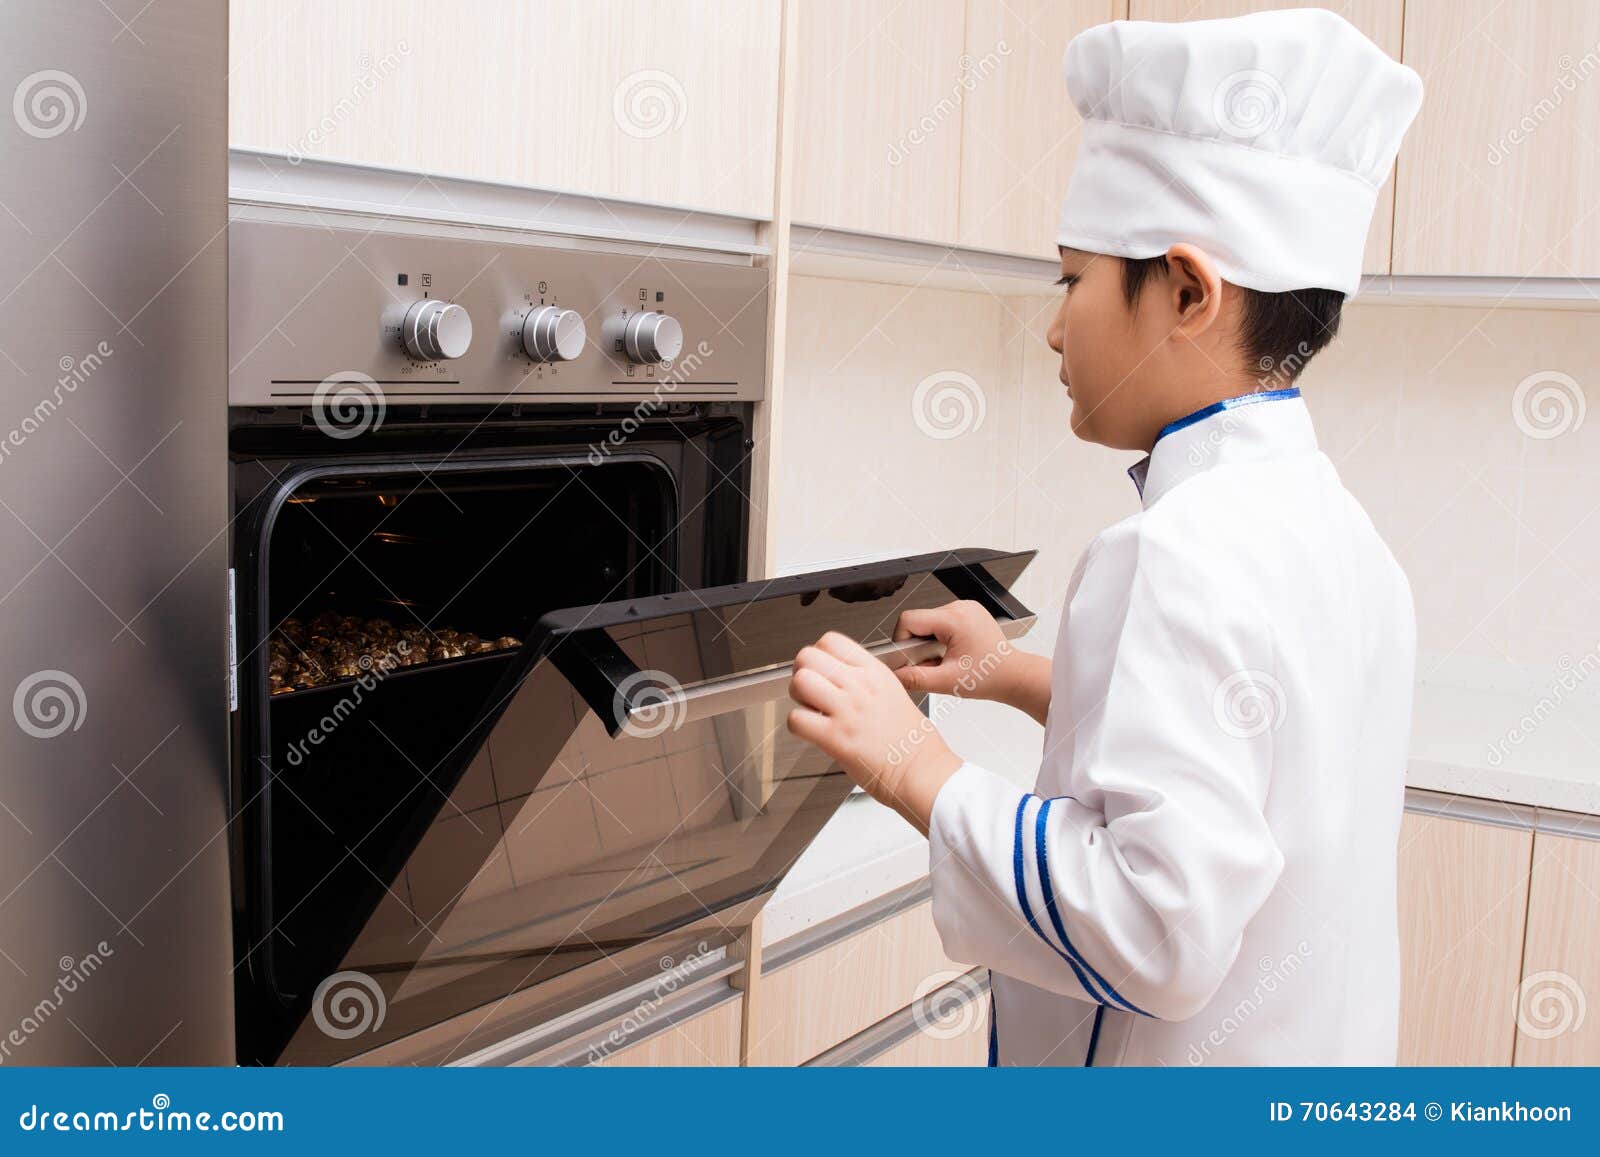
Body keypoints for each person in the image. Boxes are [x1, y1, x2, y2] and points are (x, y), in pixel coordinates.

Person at [785, 9, 1424, 1065]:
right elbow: (1250, 748)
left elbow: (1152, 928)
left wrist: (909, 760)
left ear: (1185, 291)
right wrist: (1018, 673)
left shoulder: (1181, 546)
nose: (1051, 326)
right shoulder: (1328, 523)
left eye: (1069, 280)